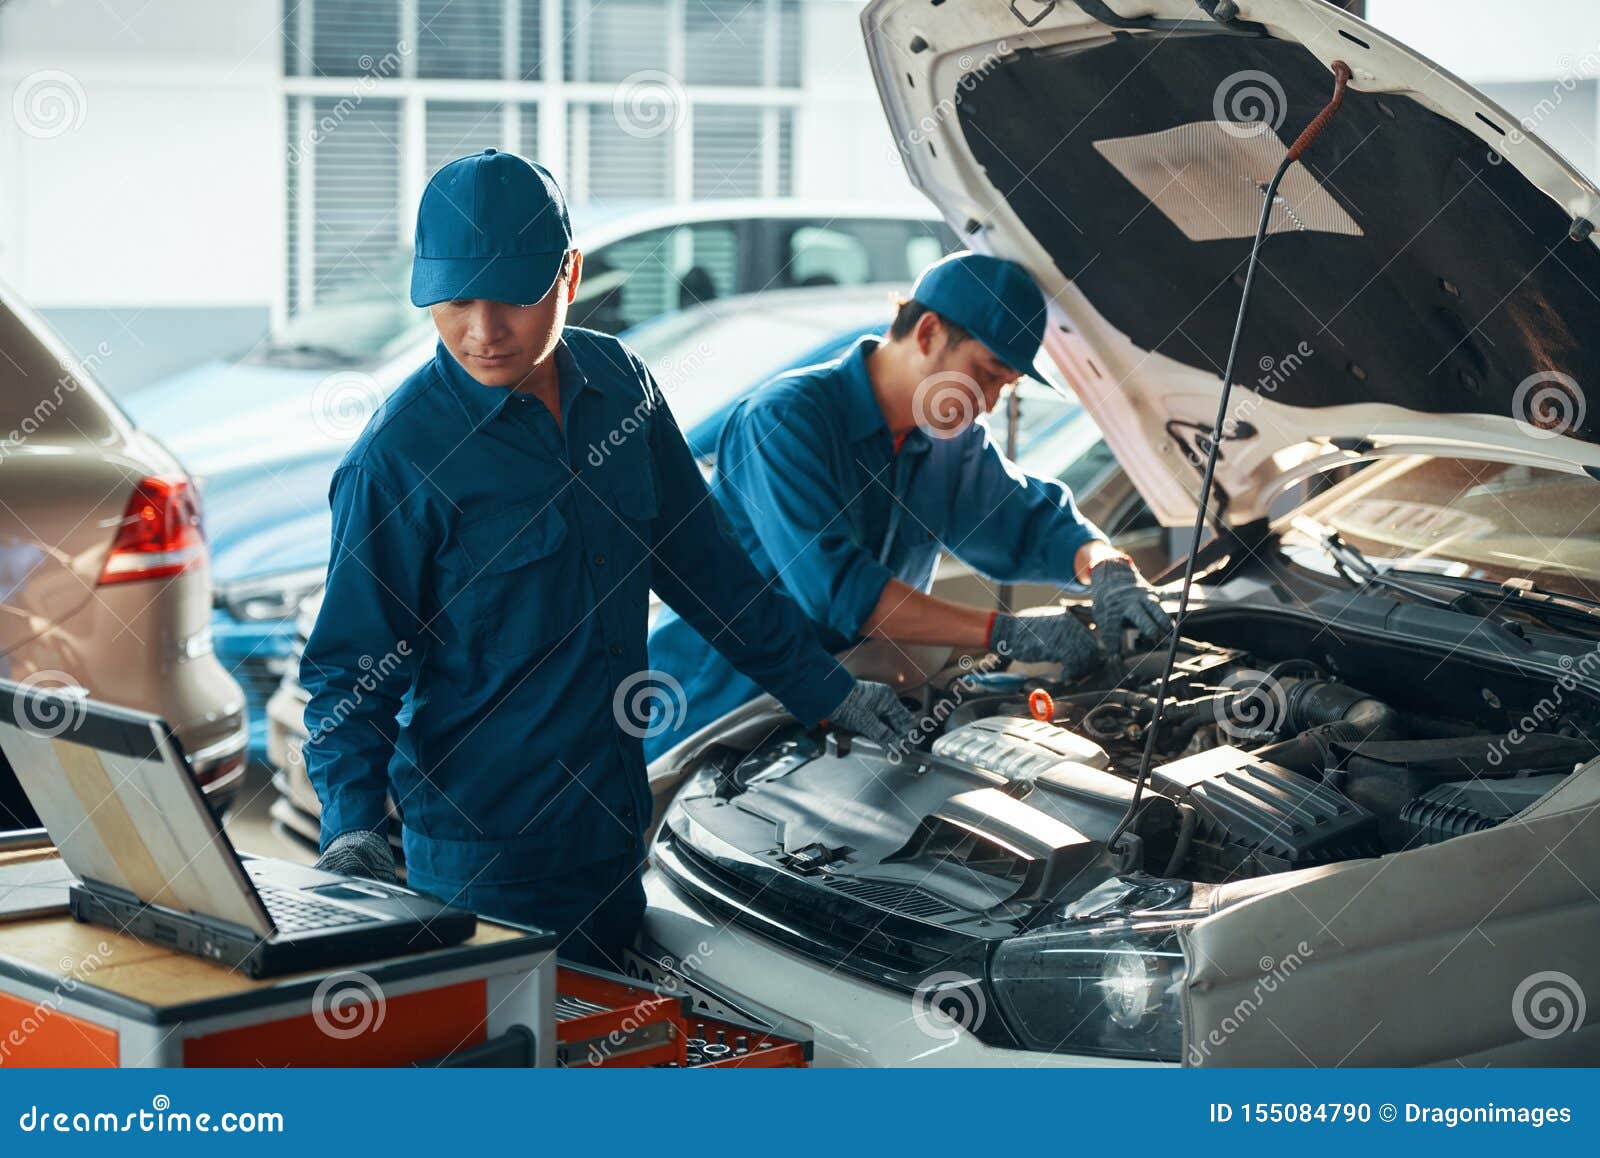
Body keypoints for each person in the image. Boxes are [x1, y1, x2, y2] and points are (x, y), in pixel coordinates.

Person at [299, 149, 915, 967]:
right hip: (485, 863)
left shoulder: (622, 388)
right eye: (456, 301)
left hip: (616, 827)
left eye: (513, 298)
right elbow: (350, 673)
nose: (483, 331)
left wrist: (830, 692)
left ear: (571, 274)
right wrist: (351, 830)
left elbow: (708, 570)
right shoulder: (399, 460)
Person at [646, 251, 1172, 761]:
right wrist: (1007, 633)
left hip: (843, 708)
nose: (990, 403)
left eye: (1006, 387)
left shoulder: (948, 442)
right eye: (987, 373)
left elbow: (1034, 522)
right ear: (928, 333)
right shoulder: (785, 421)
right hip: (716, 714)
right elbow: (844, 593)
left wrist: (1106, 567)